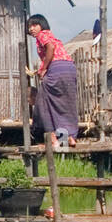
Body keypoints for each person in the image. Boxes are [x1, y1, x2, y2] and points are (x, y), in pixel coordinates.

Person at [27, 14, 78, 150]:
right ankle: (69, 137)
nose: (31, 29)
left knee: (44, 103)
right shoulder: (51, 35)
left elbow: (50, 48)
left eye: (34, 25)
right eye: (29, 26)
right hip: (69, 68)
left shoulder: (43, 35)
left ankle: (54, 138)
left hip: (56, 68)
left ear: (42, 25)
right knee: (64, 104)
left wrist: (44, 68)